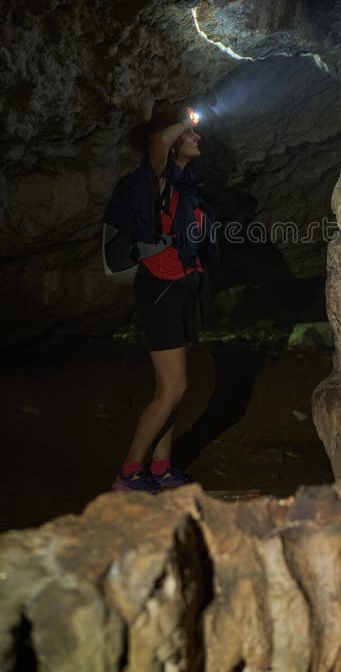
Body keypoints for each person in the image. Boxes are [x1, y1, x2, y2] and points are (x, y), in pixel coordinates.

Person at [111, 103, 210, 493]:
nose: (197, 137)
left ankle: (162, 466)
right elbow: (156, 140)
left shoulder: (185, 184)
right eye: (189, 135)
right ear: (171, 141)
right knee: (174, 388)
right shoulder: (154, 180)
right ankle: (130, 473)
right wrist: (186, 121)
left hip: (182, 288)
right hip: (161, 289)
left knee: (170, 389)